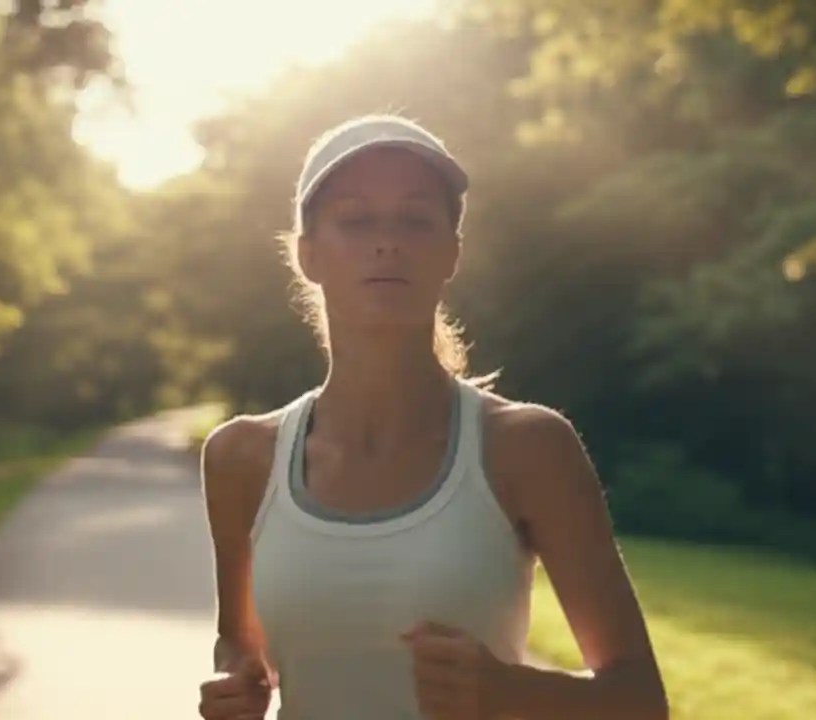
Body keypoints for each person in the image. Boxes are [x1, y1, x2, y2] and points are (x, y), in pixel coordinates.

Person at [196, 114, 668, 719]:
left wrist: (514, 694)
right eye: (356, 219)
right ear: (307, 255)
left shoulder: (527, 448)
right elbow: (239, 642)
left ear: (450, 253)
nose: (387, 240)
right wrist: (235, 682)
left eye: (415, 220)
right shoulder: (241, 458)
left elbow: (640, 701)